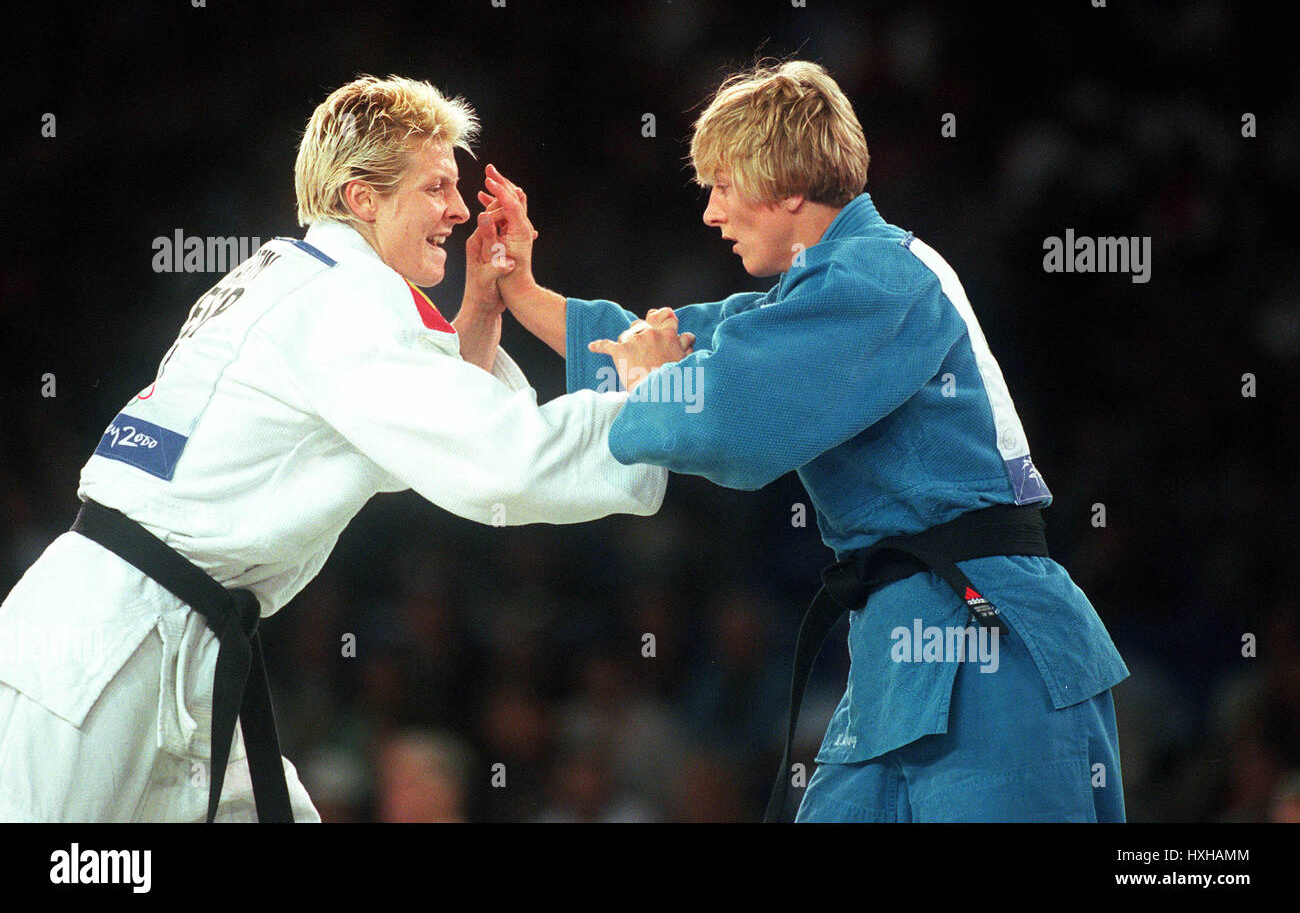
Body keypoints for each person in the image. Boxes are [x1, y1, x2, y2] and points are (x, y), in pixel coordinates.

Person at [0, 74, 666, 822]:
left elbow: (425, 437)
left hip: (164, 639)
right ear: (362, 198)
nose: (456, 207)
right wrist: (645, 409)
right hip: (106, 648)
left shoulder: (304, 278)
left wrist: (481, 302)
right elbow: (489, 459)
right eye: (436, 185)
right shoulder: (339, 303)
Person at [481, 60, 1130, 822]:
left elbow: (726, 417)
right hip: (904, 645)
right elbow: (669, 343)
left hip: (991, 643)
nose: (711, 213)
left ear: (786, 186)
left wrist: (651, 381)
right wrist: (523, 291)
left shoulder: (879, 276)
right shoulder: (819, 291)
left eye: (722, 185)